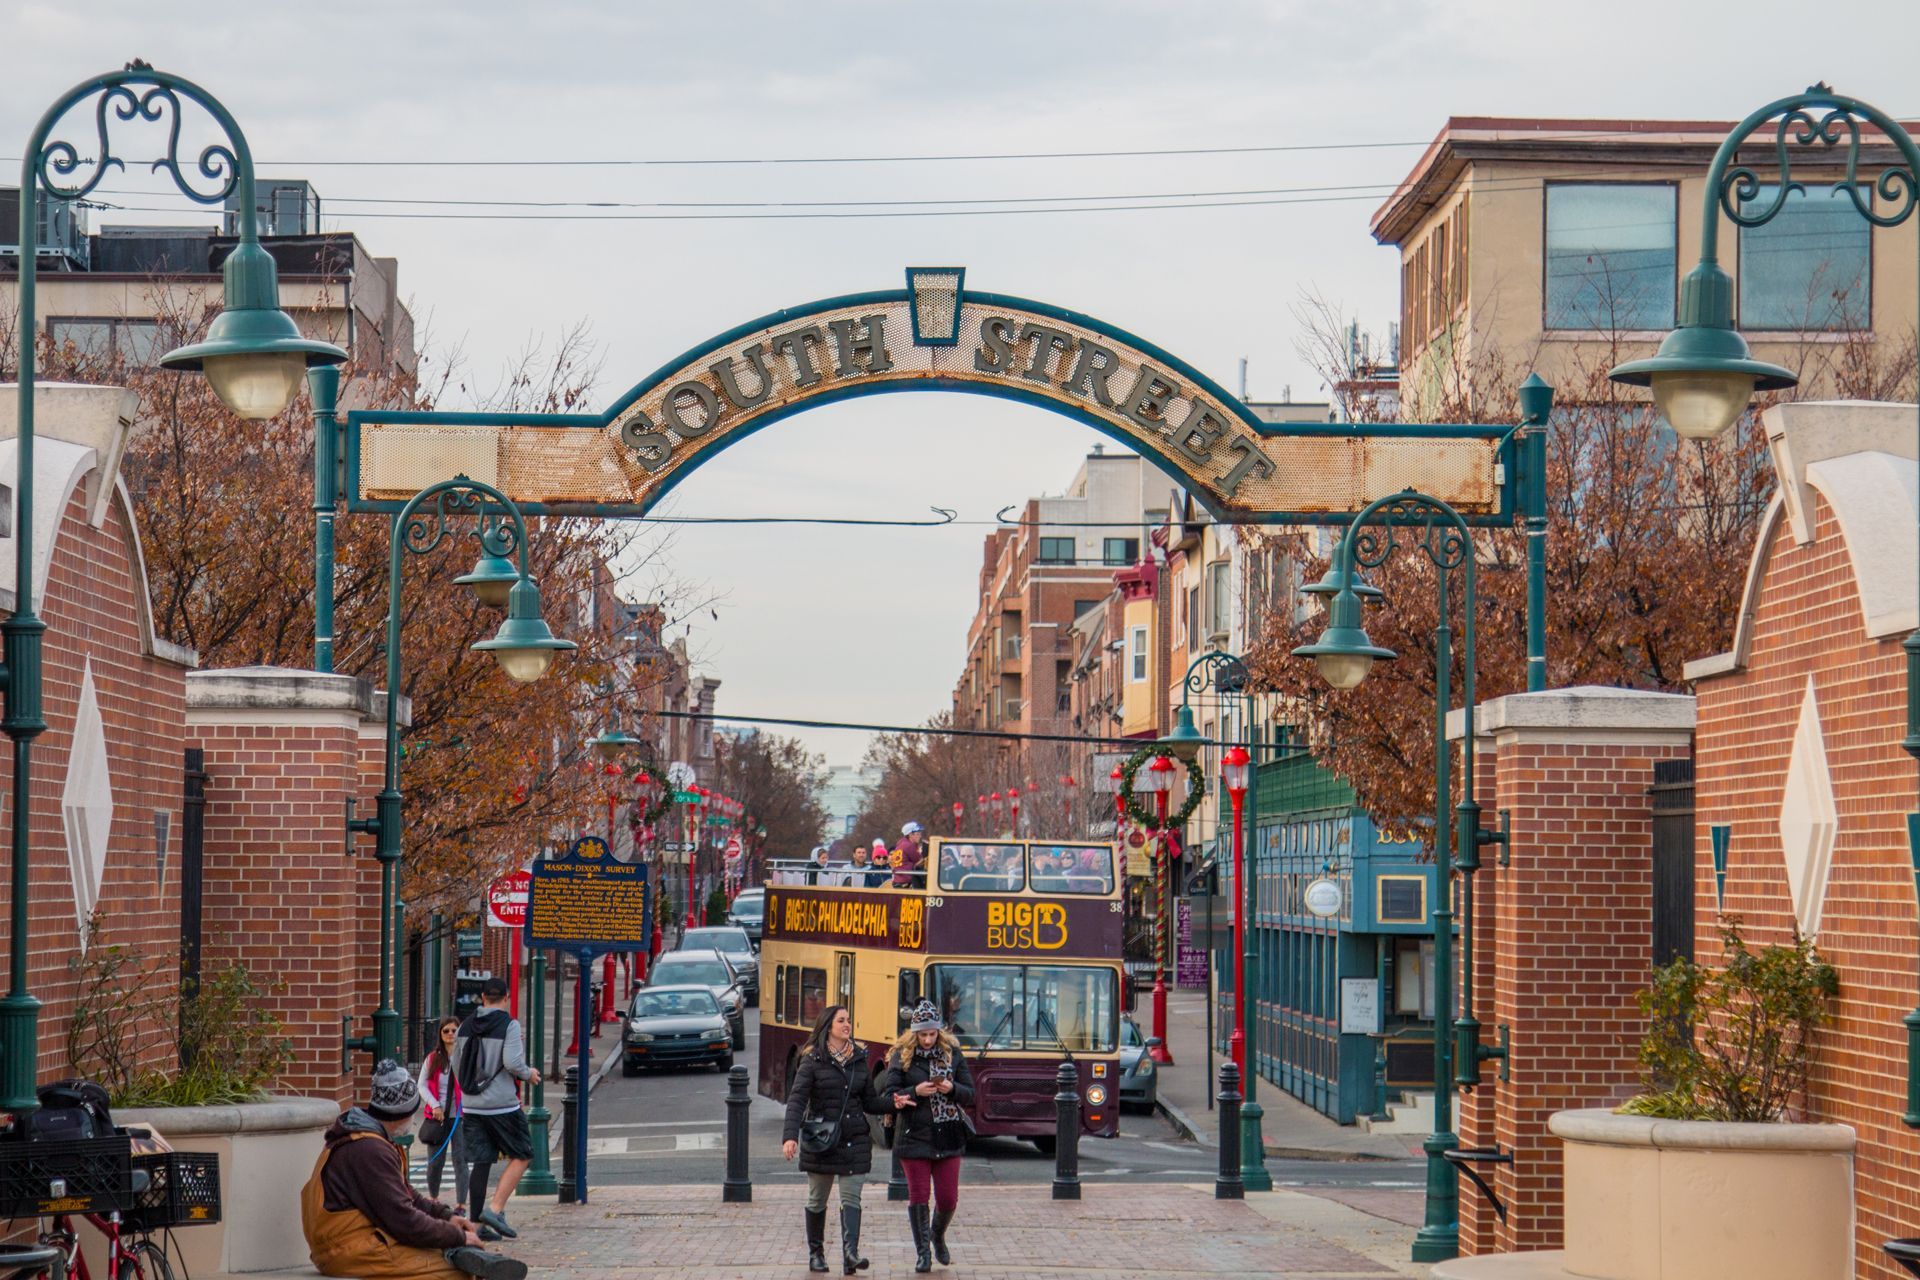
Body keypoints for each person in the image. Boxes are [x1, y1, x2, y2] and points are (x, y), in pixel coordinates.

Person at [299, 1059, 525, 1280]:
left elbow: (407, 1196)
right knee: (452, 1272)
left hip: (359, 1241)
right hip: (345, 1249)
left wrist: (446, 1217)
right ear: (403, 1113)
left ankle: (466, 1255)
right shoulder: (369, 1150)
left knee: (449, 1254)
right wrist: (457, 1236)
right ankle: (465, 1258)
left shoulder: (373, 1140)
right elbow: (404, 1220)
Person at [781, 1005, 897, 1274]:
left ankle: (851, 1255)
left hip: (854, 1140)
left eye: (849, 1020)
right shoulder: (812, 1060)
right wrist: (790, 1136)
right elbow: (797, 1100)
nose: (847, 1025)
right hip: (822, 1140)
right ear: (828, 1026)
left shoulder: (859, 1058)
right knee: (817, 1199)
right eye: (841, 1021)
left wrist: (893, 1103)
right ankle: (816, 1253)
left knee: (851, 1198)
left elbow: (869, 1101)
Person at [881, 1000, 975, 1273]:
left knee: (948, 1199)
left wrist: (951, 1088)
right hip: (914, 1135)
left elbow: (970, 1093)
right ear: (914, 1034)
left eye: (932, 1034)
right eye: (922, 1035)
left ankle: (937, 1235)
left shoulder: (953, 1053)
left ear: (939, 1032)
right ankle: (923, 1253)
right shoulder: (902, 1054)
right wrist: (914, 1092)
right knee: (919, 1197)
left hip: (948, 1136)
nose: (927, 1040)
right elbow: (889, 1094)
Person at [453, 976, 541, 1242]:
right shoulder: (508, 1025)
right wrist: (529, 1074)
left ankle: (477, 1228)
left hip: (472, 1106)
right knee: (523, 1153)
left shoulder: (465, 1025)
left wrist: (471, 1089)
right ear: (506, 998)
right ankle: (495, 1210)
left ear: (482, 998)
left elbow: (456, 1064)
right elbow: (512, 1062)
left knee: (481, 1161)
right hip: (502, 1104)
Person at [416, 1016, 467, 1214]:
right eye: (446, 1031)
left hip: (459, 1116)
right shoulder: (433, 1058)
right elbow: (421, 1084)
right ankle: (434, 1198)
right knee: (436, 1161)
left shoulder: (464, 1057)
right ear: (440, 1034)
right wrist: (434, 1105)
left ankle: (461, 1204)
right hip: (438, 1117)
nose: (450, 1034)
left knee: (460, 1159)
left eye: (454, 1030)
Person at [890, 822, 926, 888]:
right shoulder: (909, 846)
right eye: (917, 834)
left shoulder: (900, 844)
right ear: (910, 835)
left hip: (898, 880)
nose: (920, 836)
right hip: (907, 882)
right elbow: (920, 861)